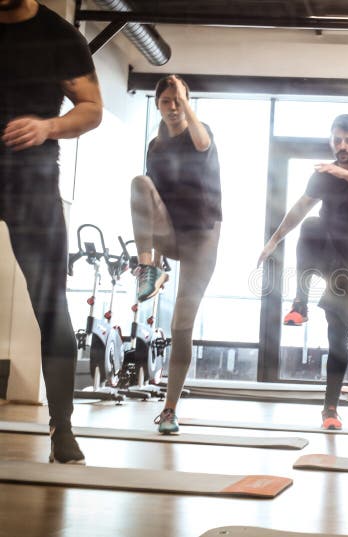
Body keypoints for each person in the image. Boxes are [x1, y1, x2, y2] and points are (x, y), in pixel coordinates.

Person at [0, 0, 102, 463]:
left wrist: (49, 127)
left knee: (50, 305)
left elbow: (92, 108)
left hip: (31, 182)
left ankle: (62, 427)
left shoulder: (61, 37)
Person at [257, 114, 348, 429]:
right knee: (313, 224)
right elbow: (300, 208)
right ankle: (300, 304)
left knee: (338, 338)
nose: (342, 146)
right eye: (337, 140)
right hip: (325, 254)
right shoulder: (323, 175)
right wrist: (274, 241)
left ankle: (330, 410)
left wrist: (342, 175)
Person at [131, 74, 222, 434]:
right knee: (139, 183)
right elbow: (149, 196)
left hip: (202, 237)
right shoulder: (155, 146)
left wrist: (186, 103)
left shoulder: (202, 132)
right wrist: (152, 245)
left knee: (180, 325)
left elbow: (200, 143)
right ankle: (147, 269)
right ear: (157, 104)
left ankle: (170, 409)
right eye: (166, 101)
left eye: (179, 101)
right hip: (170, 231)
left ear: (187, 102)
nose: (173, 107)